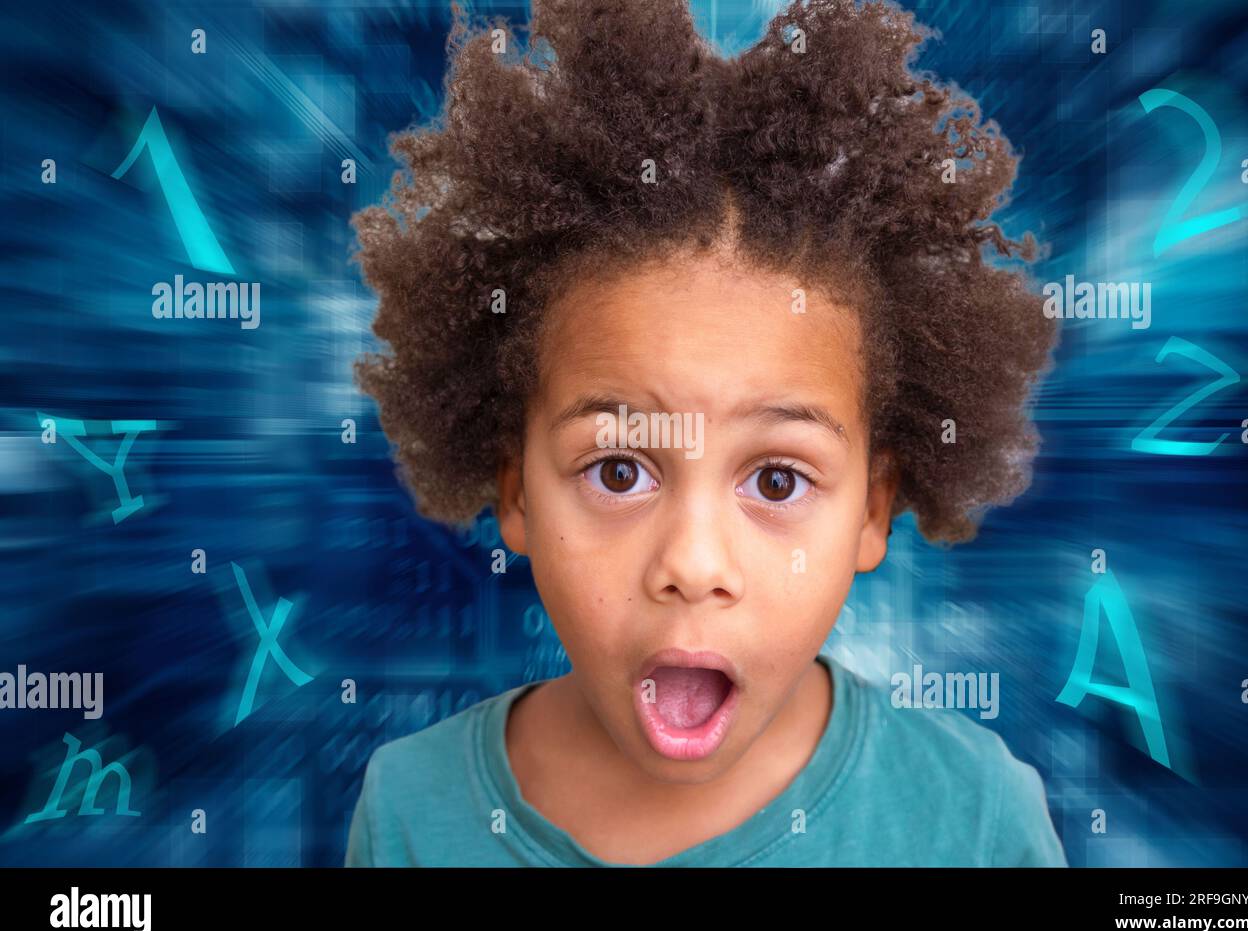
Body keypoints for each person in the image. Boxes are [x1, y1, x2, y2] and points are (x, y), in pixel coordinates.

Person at [344, 0, 1064, 867]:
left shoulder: (973, 815)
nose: (693, 564)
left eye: (776, 481)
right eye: (617, 472)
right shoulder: (412, 809)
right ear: (515, 490)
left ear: (872, 511)